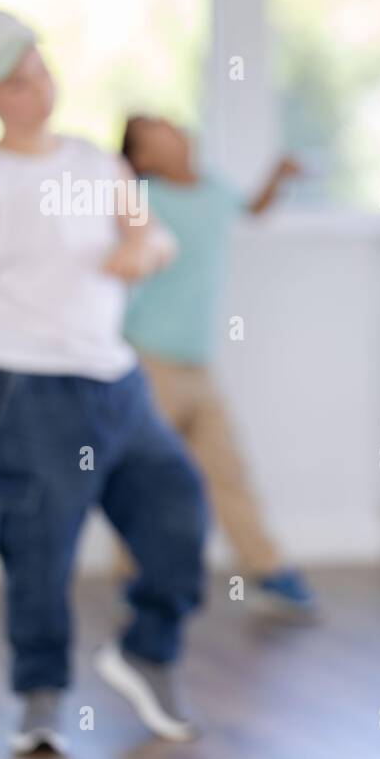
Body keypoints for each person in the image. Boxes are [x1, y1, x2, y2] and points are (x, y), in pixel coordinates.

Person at [0, 9, 207, 754]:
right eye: (13, 85)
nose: (34, 90)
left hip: (114, 383)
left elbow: (151, 234)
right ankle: (40, 697)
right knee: (39, 548)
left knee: (177, 509)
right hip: (25, 390)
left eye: (38, 72)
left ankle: (146, 652)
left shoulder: (96, 163)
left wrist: (140, 253)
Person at [117, 114, 320, 623]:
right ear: (141, 160)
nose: (175, 130)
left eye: (171, 123)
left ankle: (269, 571)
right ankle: (136, 580)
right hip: (149, 360)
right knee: (145, 475)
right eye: (155, 132)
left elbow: (252, 208)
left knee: (228, 470)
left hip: (198, 363)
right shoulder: (142, 201)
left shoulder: (213, 190)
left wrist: (278, 174)